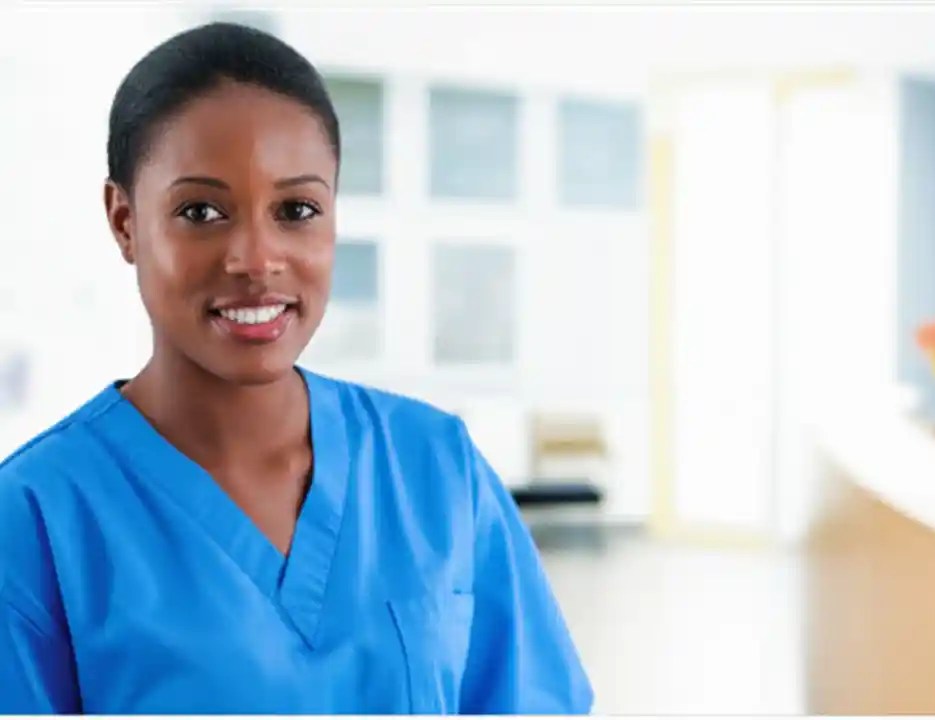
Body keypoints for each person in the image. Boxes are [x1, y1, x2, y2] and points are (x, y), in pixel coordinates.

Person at [0, 22, 593, 714]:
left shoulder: (435, 469)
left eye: (297, 210)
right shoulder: (36, 517)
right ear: (125, 221)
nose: (256, 259)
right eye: (201, 211)